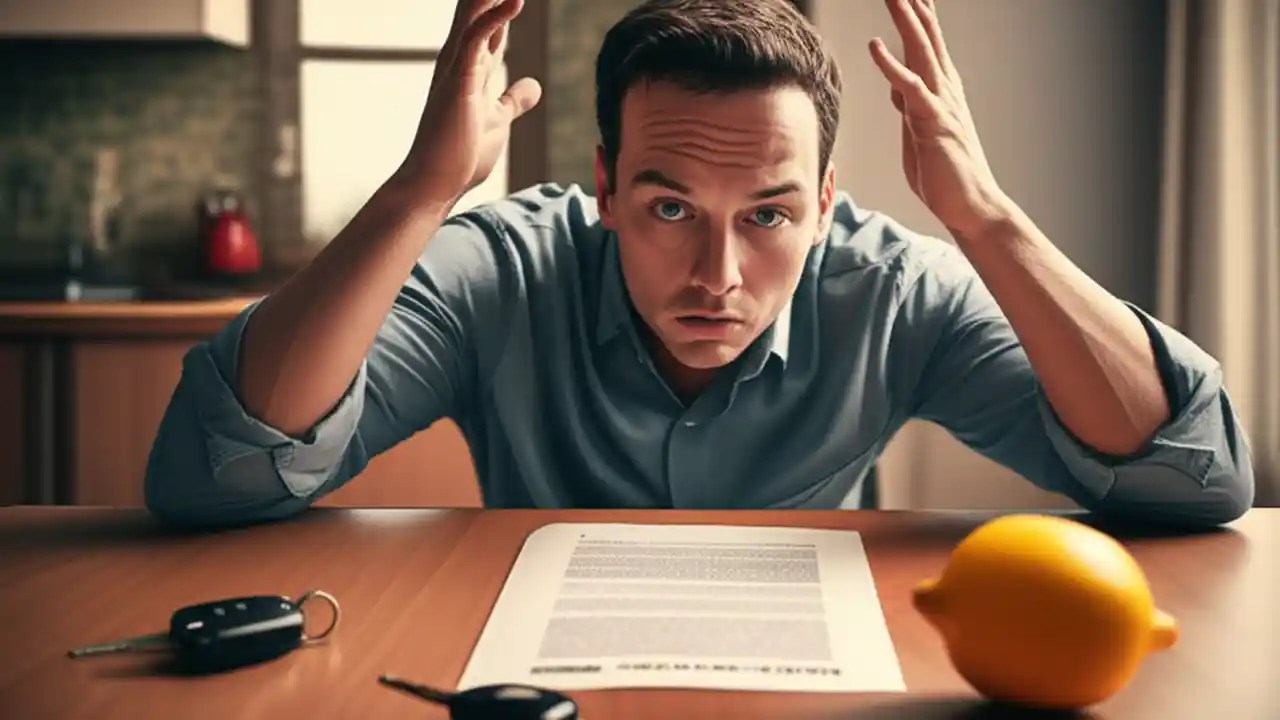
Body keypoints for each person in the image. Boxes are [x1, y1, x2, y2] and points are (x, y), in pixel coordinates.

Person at [144, 0, 1253, 529]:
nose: (715, 272)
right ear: (603, 189)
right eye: (668, 205)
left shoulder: (891, 289)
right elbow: (217, 478)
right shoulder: (506, 270)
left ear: (824, 204)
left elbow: (1187, 477)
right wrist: (418, 192)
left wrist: (988, 218)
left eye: (768, 214)